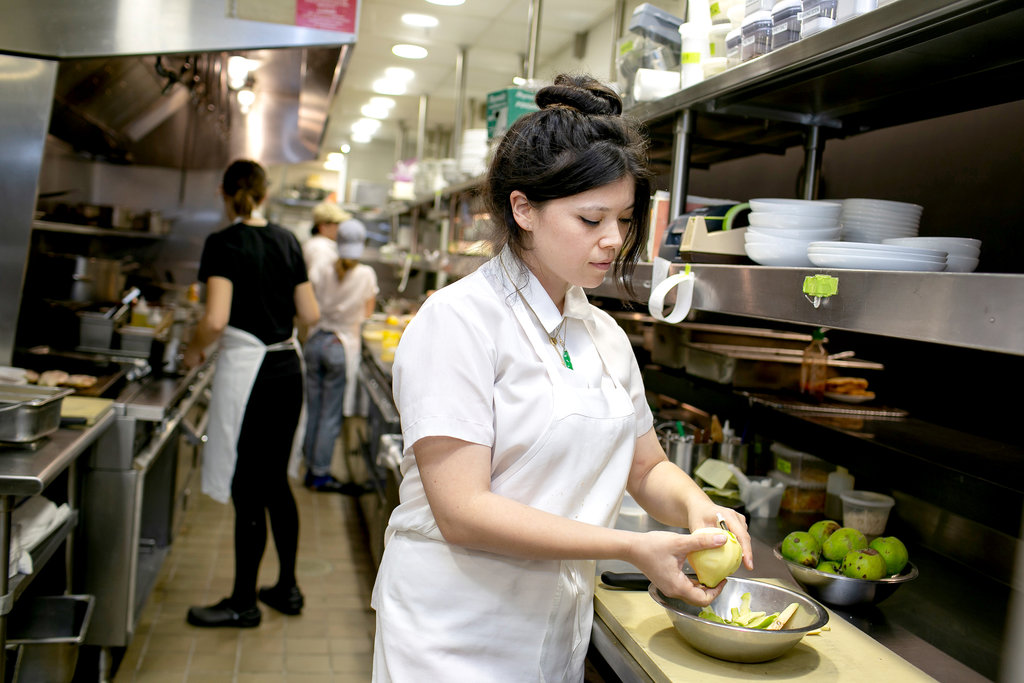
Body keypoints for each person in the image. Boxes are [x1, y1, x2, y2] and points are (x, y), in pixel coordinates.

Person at [370, 74, 754, 681]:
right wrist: (631, 546)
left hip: (554, 627)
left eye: (625, 219)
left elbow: (645, 466)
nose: (613, 239)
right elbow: (462, 510)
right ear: (523, 209)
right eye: (590, 218)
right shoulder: (458, 321)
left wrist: (699, 510)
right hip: (452, 633)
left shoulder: (601, 333)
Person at [182, 159, 320, 628]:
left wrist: (192, 351)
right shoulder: (287, 239)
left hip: (250, 372)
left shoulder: (222, 244)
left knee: (247, 486)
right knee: (276, 480)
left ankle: (243, 602)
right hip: (286, 367)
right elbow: (311, 314)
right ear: (264, 194)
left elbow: (215, 319)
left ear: (225, 192)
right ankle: (288, 587)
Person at [302, 217, 379, 492]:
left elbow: (307, 303)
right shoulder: (366, 274)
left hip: (315, 342)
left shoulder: (322, 268)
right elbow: (368, 314)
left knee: (313, 409)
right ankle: (320, 473)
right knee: (330, 414)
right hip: (340, 345)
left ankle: (309, 463)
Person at [303, 201, 350, 275]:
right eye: (337, 223)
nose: (340, 227)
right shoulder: (321, 249)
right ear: (323, 226)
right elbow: (317, 281)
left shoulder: (316, 244)